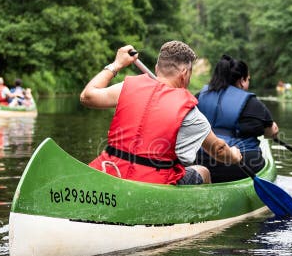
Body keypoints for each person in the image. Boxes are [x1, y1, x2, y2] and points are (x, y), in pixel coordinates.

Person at [80, 41, 243, 185]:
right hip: (153, 183)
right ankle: (199, 218)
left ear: (157, 68)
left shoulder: (127, 87)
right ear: (185, 73)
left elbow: (87, 97)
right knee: (203, 171)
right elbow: (219, 150)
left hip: (109, 171)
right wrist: (234, 155)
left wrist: (116, 64)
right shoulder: (190, 112)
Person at [195, 55, 279, 183]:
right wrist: (273, 129)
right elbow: (270, 132)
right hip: (240, 166)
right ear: (242, 81)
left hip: (201, 162)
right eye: (248, 79)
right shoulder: (252, 104)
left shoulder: (199, 97)